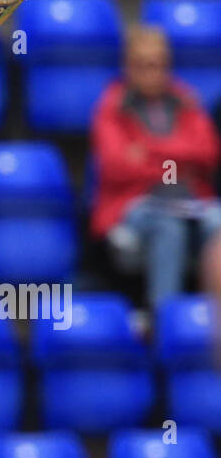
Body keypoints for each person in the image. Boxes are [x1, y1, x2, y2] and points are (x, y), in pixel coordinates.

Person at [91, 25, 221, 310]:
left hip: (191, 200)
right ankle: (165, 319)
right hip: (137, 204)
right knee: (168, 227)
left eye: (159, 64)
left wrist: (149, 149)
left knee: (218, 222)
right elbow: (117, 166)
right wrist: (177, 161)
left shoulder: (186, 100)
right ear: (128, 66)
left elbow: (208, 153)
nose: (153, 72)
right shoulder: (112, 106)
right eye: (144, 65)